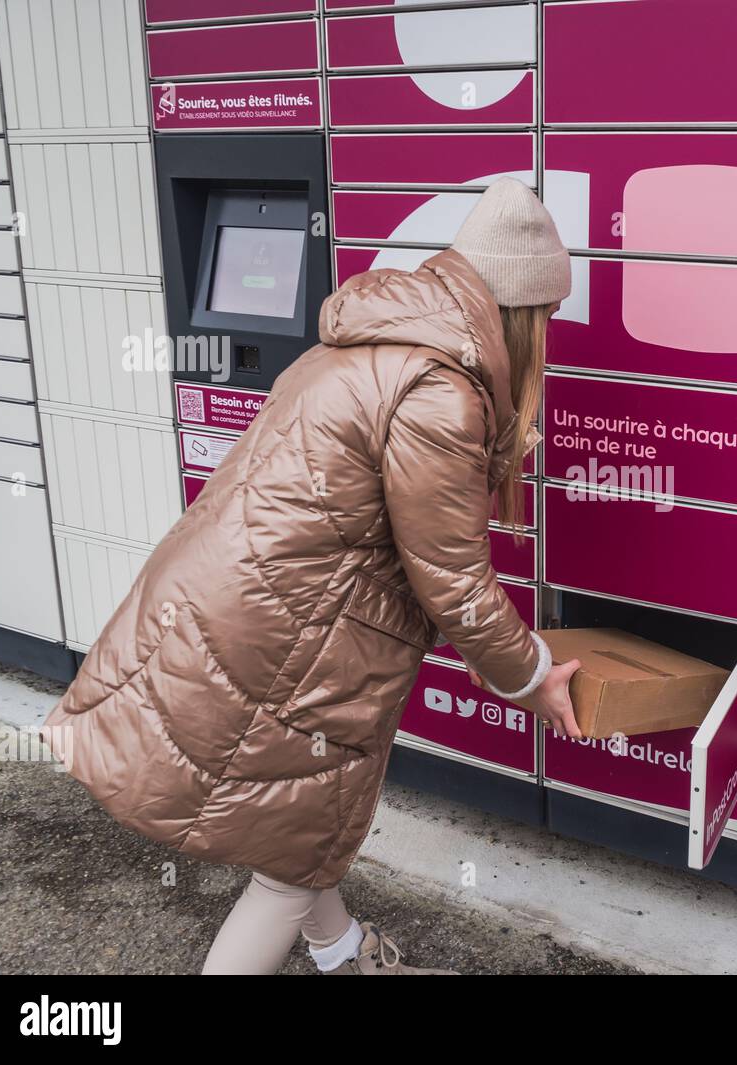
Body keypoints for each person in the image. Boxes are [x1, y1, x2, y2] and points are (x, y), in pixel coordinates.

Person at [43, 178, 582, 975]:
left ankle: (344, 956)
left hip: (227, 603)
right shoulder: (441, 391)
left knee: (298, 823)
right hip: (283, 640)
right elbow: (455, 582)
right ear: (522, 314)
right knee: (292, 869)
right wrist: (532, 673)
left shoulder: (373, 342)